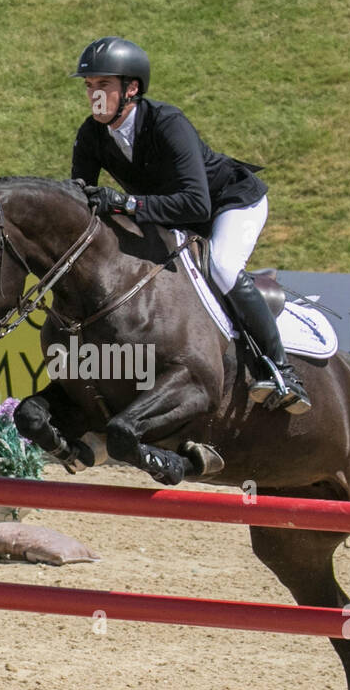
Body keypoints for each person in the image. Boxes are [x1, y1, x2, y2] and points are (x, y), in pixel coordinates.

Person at [69, 37, 311, 415]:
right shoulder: (91, 134)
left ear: (131, 88)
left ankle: (281, 371)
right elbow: (81, 196)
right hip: (173, 215)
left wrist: (127, 203)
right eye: (88, 87)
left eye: (103, 86)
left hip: (229, 203)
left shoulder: (168, 123)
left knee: (223, 267)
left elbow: (196, 202)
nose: (93, 97)